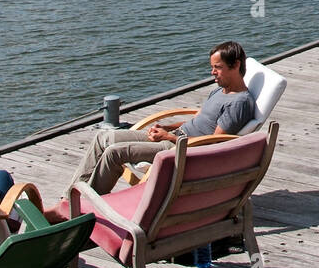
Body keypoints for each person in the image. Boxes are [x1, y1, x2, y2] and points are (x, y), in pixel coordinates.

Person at [63, 41, 256, 198]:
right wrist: (166, 127)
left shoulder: (238, 102)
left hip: (180, 150)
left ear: (236, 65)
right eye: (212, 67)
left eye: (218, 67)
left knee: (114, 153)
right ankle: (69, 198)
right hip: (174, 137)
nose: (212, 72)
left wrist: (169, 138)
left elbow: (213, 145)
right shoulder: (220, 89)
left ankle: (84, 206)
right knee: (102, 138)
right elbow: (199, 119)